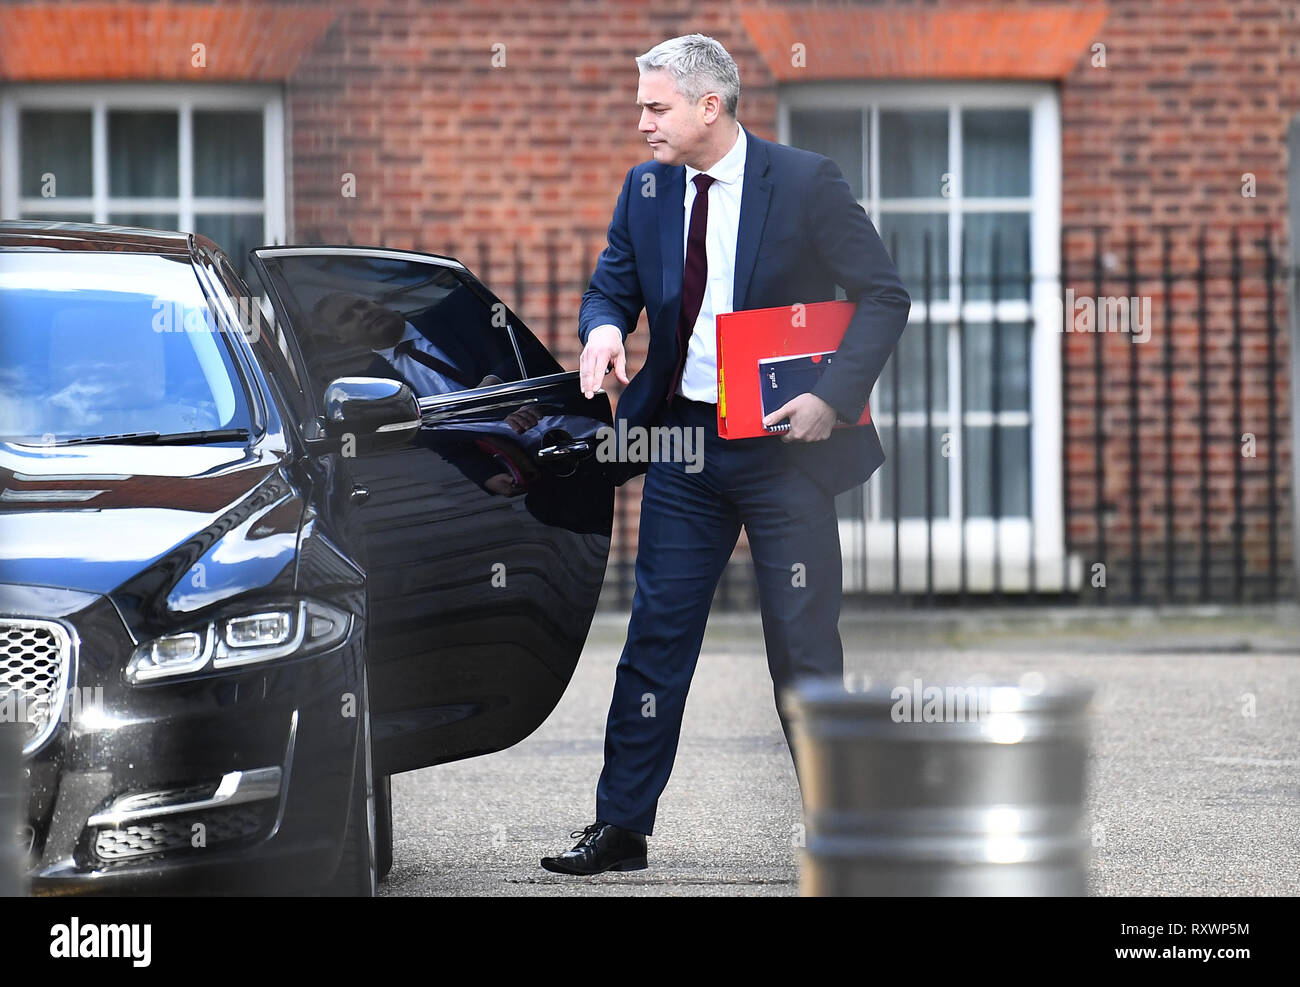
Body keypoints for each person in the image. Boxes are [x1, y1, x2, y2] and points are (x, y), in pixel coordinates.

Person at [540, 34, 910, 875]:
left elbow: (884, 293)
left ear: (711, 106)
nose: (641, 123)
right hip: (682, 443)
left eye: (655, 106)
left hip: (784, 449)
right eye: (642, 106)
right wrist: (602, 330)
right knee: (655, 639)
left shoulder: (807, 182)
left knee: (804, 644)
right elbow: (613, 282)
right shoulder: (646, 190)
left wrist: (832, 396)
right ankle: (622, 826)